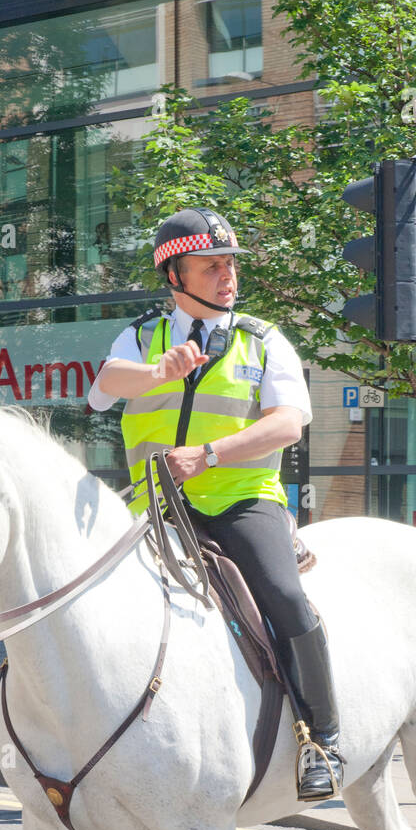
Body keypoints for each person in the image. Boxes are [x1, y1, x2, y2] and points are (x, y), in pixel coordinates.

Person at [88, 206, 344, 800]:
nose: (228, 275)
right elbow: (103, 392)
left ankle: (322, 741)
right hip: (154, 509)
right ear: (175, 274)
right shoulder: (142, 336)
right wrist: (156, 371)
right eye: (212, 266)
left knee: (283, 596)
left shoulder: (263, 340)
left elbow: (288, 425)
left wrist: (209, 455)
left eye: (230, 264)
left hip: (238, 499)